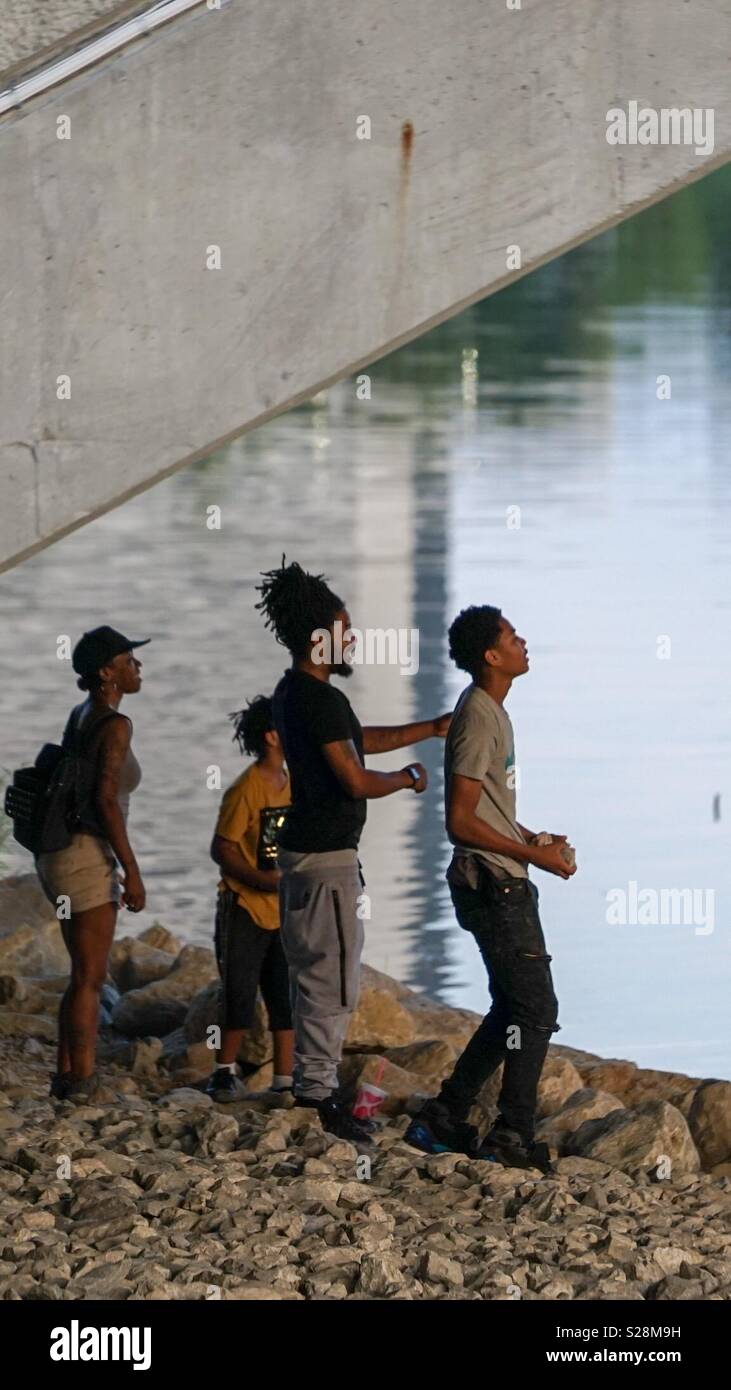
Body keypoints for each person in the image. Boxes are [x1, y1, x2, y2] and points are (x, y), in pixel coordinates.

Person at [256, 557, 450, 1144]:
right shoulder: (320, 700)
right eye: (345, 628)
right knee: (332, 979)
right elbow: (355, 775)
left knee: (312, 973)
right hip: (326, 861)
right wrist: (407, 778)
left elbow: (355, 741)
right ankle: (317, 1098)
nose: (353, 638)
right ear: (322, 637)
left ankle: (309, 1085)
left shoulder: (294, 695)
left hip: (300, 858)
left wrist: (431, 726)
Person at [405, 605, 576, 1173]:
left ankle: (445, 1116)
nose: (523, 641)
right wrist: (535, 858)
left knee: (512, 1006)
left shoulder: (491, 713)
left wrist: (534, 836)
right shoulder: (479, 715)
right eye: (512, 635)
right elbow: (459, 820)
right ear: (491, 655)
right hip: (494, 883)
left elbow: (487, 808)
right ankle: (512, 1132)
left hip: (499, 874)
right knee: (536, 1007)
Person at [35, 626, 149, 1102]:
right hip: (85, 857)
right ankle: (81, 1080)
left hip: (56, 855)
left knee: (80, 974)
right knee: (90, 977)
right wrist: (132, 871)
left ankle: (66, 1074)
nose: (137, 667)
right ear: (107, 673)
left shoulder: (81, 714)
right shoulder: (116, 725)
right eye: (128, 660)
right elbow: (104, 801)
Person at [207, 695, 294, 1101]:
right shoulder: (246, 790)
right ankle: (223, 1071)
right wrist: (258, 879)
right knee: (239, 992)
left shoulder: (294, 782)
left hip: (284, 911)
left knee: (285, 994)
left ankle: (285, 1079)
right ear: (273, 736)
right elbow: (221, 847)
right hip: (243, 906)